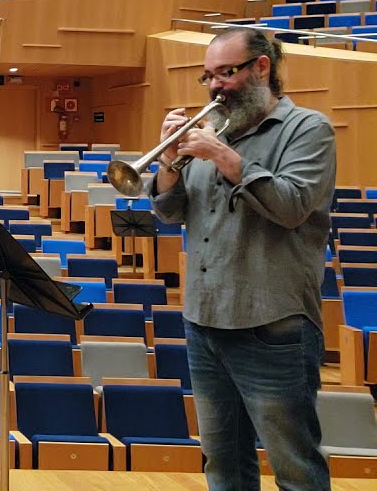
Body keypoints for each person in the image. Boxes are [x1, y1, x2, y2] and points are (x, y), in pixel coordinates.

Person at [151, 27, 334, 491]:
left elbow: (292, 207)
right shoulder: (215, 133)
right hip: (206, 321)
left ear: (261, 67)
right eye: (208, 76)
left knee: (295, 467)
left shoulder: (308, 130)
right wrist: (170, 163)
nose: (215, 86)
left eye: (226, 73)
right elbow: (172, 214)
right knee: (223, 465)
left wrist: (223, 156)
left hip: (272, 325)